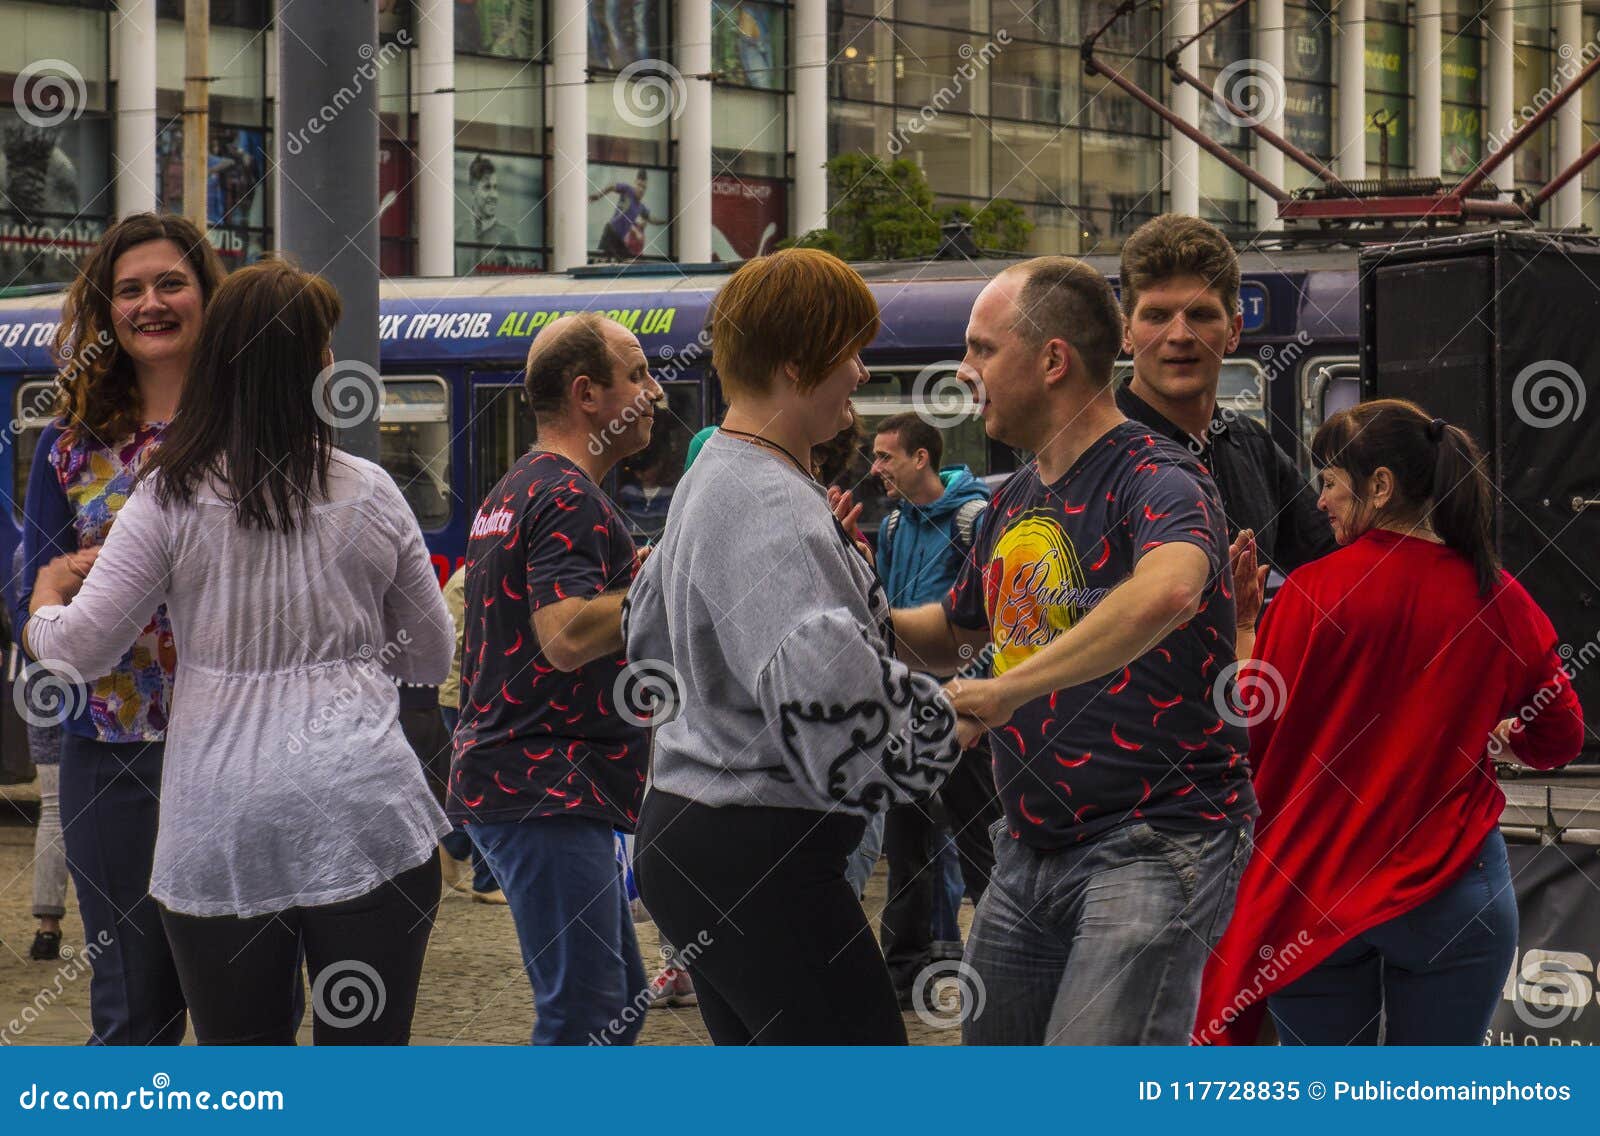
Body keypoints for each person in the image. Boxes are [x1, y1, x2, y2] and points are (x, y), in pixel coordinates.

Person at [24, 260, 454, 1045]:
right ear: (318, 368)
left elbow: (81, 649)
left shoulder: (167, 493)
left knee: (245, 1069)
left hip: (221, 821)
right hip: (366, 807)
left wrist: (41, 603)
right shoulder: (369, 490)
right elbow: (430, 651)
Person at [894, 256, 1256, 1045]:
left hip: (1155, 844)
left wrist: (1006, 693)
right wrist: (849, 599)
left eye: (983, 349)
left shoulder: (1160, 478)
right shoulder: (1012, 500)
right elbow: (954, 634)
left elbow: (1169, 592)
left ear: (1052, 359)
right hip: (1025, 848)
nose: (965, 370)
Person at [628, 248, 972, 1046]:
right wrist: (958, 719)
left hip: (693, 838)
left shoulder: (715, 469)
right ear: (794, 364)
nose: (859, 372)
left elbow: (644, 634)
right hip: (761, 859)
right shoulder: (771, 503)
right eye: (848, 353)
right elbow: (839, 727)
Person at [1195, 401, 1584, 1046]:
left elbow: (1246, 736)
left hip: (1316, 891)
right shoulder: (1499, 595)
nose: (1318, 503)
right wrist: (1507, 733)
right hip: (1457, 889)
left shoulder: (1309, 594)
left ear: (1379, 486)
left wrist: (1242, 631)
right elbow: (1561, 735)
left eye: (1328, 483)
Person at [17, 211, 223, 1044]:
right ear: (106, 313)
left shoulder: (249, 431)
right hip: (111, 751)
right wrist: (53, 584)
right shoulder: (69, 449)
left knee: (245, 1001)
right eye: (129, 290)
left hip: (236, 745)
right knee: (133, 1007)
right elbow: (28, 589)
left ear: (209, 298)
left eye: (171, 283)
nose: (150, 303)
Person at [448, 312, 663, 1046]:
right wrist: (670, 587)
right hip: (542, 783)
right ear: (587, 395)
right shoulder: (569, 496)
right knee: (588, 1016)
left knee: (617, 1004)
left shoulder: (514, 489)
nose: (655, 391)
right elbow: (566, 634)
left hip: (532, 781)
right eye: (637, 374)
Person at [853, 412, 1000, 1002]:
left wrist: (975, 703)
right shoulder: (891, 527)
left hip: (960, 698)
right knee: (908, 838)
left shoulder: (972, 519)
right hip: (909, 700)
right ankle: (905, 961)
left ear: (921, 459)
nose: (876, 468)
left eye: (886, 457)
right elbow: (887, 609)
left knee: (979, 833)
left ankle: (1004, 952)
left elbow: (993, 615)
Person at [1115, 214, 1335, 574]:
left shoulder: (1253, 447)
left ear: (1233, 332)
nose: (1180, 335)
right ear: (1127, 333)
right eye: (1157, 316)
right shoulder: (1086, 455)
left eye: (1200, 314)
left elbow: (1331, 563)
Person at [10, 545, 66, 961]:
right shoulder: (105, 541)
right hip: (100, 691)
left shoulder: (23, 553)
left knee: (54, 808)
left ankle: (48, 929)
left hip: (42, 688)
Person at [437, 563, 503, 904]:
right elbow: (467, 641)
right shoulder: (474, 577)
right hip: (464, 696)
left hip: (467, 694)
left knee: (475, 782)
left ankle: (451, 844)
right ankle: (486, 880)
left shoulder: (473, 572)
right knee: (484, 785)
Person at [591, 171, 658, 261]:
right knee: (603, 259)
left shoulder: (641, 207)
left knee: (626, 259)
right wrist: (598, 195)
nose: (641, 189)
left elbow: (651, 219)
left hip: (619, 239)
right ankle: (596, 261)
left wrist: (667, 221)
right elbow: (611, 186)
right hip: (611, 232)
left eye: (644, 187)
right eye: (639, 185)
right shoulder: (628, 190)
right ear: (635, 183)